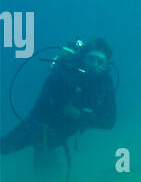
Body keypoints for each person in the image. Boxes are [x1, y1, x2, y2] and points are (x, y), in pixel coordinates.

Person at [1, 36, 116, 166]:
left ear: (106, 63)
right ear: (83, 58)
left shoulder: (105, 82)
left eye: (100, 61)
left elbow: (109, 121)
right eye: (91, 59)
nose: (94, 65)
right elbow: (40, 107)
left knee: (50, 178)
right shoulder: (65, 71)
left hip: (66, 130)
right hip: (41, 126)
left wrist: (79, 115)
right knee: (5, 147)